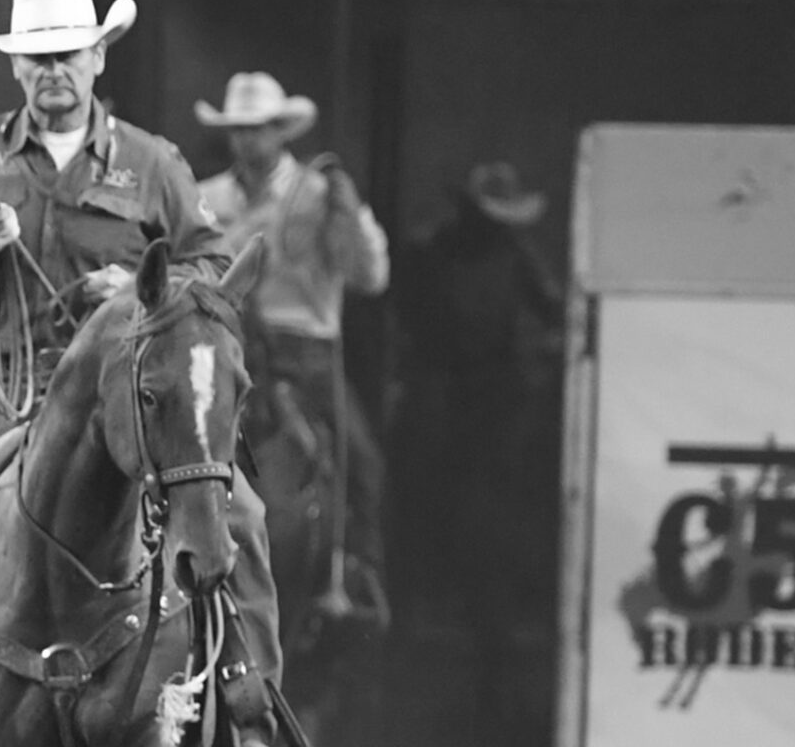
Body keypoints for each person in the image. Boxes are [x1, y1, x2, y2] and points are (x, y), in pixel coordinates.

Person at [0, 0, 311, 747]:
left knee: (240, 511)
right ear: (15, 67)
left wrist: (145, 288)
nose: (51, 70)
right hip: (0, 387)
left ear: (98, 57)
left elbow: (211, 269)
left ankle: (252, 709)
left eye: (66, 54)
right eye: (34, 58)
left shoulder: (152, 163)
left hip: (127, 394)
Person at [192, 72, 391, 588]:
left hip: (307, 353)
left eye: (259, 128)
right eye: (239, 129)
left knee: (362, 461)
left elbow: (372, 277)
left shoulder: (321, 194)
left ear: (282, 130)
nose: (248, 139)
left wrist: (350, 218)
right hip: (226, 346)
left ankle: (356, 574)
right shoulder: (204, 198)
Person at [397, 161, 563, 697]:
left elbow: (555, 309)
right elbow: (410, 318)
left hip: (497, 402)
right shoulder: (430, 254)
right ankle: (412, 621)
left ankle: (493, 631)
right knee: (421, 501)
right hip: (443, 393)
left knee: (491, 516)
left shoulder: (515, 255)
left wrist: (542, 353)